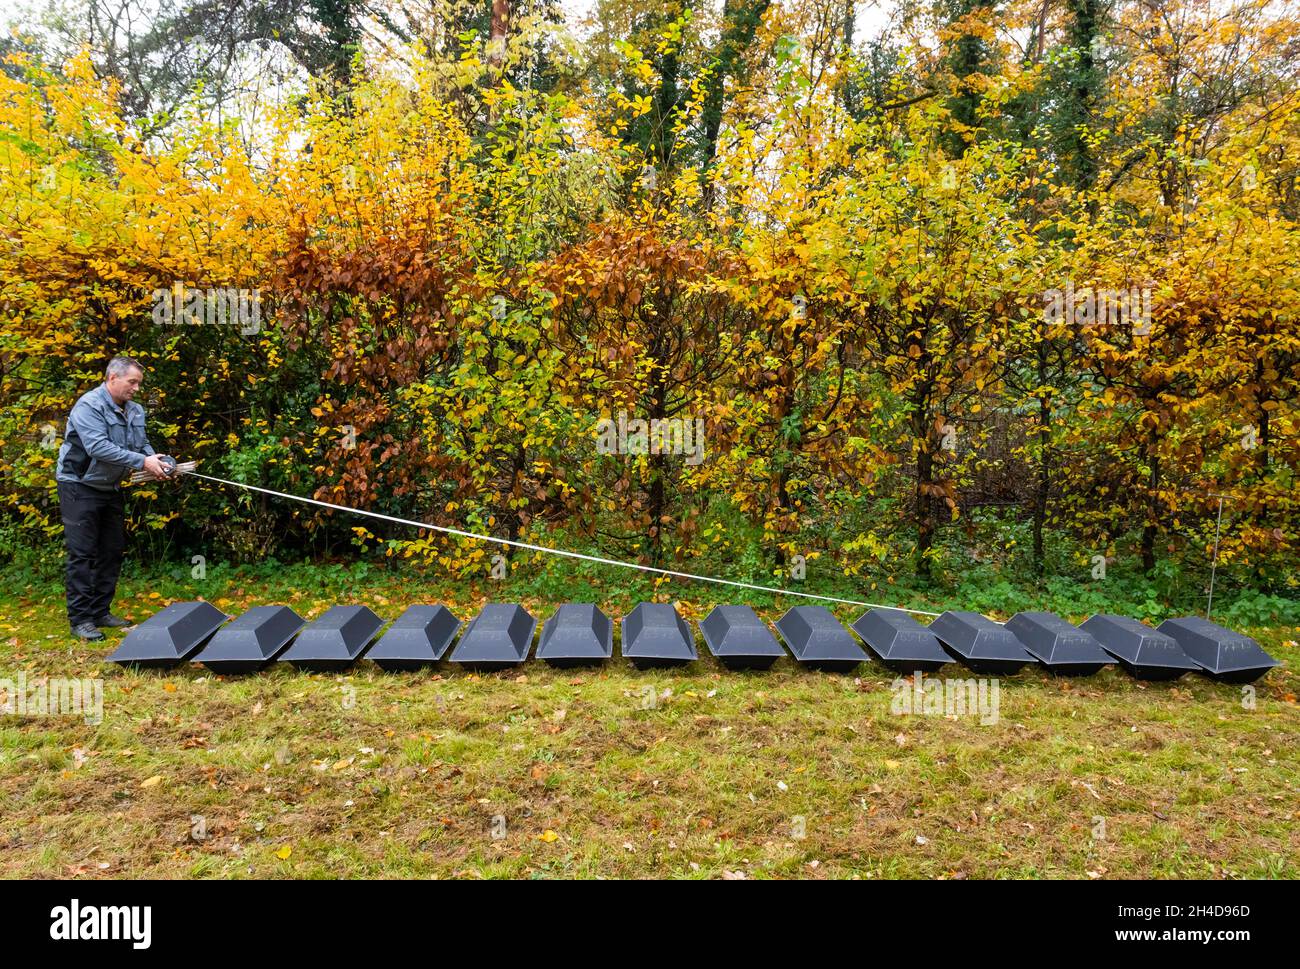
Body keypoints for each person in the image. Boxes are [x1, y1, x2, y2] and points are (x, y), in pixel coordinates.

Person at [56, 356, 170, 641]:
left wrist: (157, 460)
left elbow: (141, 445)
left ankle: (100, 611)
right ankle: (80, 620)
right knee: (82, 553)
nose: (136, 389)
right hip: (78, 485)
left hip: (110, 487)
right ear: (111, 378)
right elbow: (98, 447)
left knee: (112, 549)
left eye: (139, 384)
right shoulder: (88, 406)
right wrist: (142, 462)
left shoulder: (136, 410)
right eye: (132, 382)